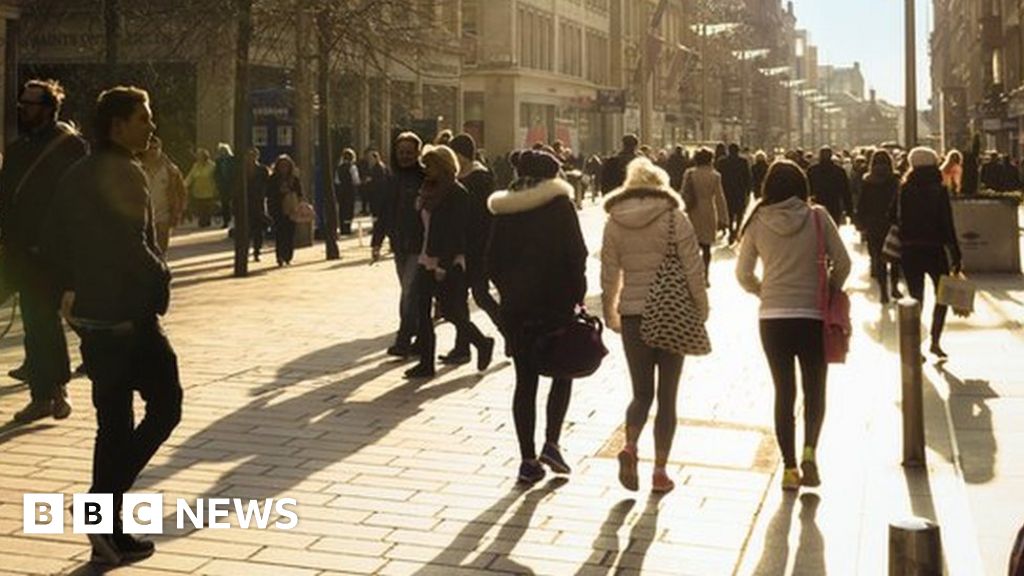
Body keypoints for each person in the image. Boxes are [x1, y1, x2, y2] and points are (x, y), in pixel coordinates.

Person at [46, 85, 180, 565]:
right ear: (116, 125)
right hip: (127, 316)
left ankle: (107, 528)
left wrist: (68, 290)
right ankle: (100, 510)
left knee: (114, 423)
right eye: (143, 119)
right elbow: (132, 244)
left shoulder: (77, 171)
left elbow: (55, 238)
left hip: (91, 316)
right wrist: (162, 276)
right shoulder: (125, 170)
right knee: (166, 405)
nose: (151, 126)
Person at [736, 160, 851, 491]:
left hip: (772, 318)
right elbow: (843, 262)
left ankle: (788, 469)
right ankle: (810, 453)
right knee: (815, 389)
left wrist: (764, 291)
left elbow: (743, 274)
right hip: (812, 315)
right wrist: (828, 287)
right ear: (802, 185)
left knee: (783, 391)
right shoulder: (818, 217)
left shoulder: (756, 220)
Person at [601, 158, 708, 493]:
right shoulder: (675, 218)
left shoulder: (614, 220)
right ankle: (660, 472)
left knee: (641, 392)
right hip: (672, 312)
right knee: (668, 396)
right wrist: (701, 308)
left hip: (634, 314)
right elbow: (694, 269)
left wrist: (610, 312)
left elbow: (609, 273)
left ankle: (630, 447)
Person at [487, 149, 587, 484]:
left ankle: (527, 460)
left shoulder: (505, 211)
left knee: (525, 381)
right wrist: (576, 295)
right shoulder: (560, 207)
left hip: (518, 309)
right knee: (564, 368)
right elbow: (578, 254)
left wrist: (510, 294)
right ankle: (552, 443)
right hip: (556, 304)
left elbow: (492, 261)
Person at [0, 79, 88, 422]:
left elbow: (79, 204)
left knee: (40, 321)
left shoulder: (71, 149)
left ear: (49, 109)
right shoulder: (19, 149)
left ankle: (48, 392)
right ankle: (51, 389)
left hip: (49, 253)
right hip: (16, 251)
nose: (23, 109)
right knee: (40, 321)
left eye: (30, 104)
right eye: (21, 103)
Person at [404, 145, 495, 379]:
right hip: (426, 256)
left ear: (443, 166)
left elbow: (456, 232)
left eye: (431, 165)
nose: (426, 169)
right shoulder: (428, 190)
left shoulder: (457, 193)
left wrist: (444, 265)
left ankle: (482, 342)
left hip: (448, 260)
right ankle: (426, 363)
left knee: (452, 312)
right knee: (422, 309)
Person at [893, 147, 962, 358]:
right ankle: (935, 341)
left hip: (910, 250)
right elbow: (947, 223)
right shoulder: (939, 189)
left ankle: (915, 346)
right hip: (935, 250)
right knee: (942, 297)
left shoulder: (904, 189)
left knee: (916, 298)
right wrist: (955, 252)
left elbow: (893, 217)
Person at [445, 133, 503, 363]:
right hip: (459, 248)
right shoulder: (457, 177)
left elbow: (484, 217)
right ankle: (462, 348)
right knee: (458, 299)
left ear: (462, 155)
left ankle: (508, 333)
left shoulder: (480, 178)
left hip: (478, 249)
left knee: (481, 295)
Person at [372, 132, 426, 357]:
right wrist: (377, 241)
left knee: (409, 291)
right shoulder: (391, 178)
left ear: (417, 153)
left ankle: (404, 338)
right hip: (399, 244)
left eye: (409, 152)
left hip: (419, 245)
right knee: (409, 291)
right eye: (401, 152)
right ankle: (417, 334)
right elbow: (385, 211)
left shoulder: (424, 177)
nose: (404, 156)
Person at [857, 149, 903, 304]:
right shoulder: (895, 179)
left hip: (873, 224)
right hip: (892, 224)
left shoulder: (868, 181)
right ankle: (895, 288)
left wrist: (860, 222)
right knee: (895, 257)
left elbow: (862, 203)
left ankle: (883, 292)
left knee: (879, 258)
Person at [680, 148, 728, 285]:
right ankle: (706, 275)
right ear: (710, 159)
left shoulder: (689, 174)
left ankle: (692, 274)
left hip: (692, 211)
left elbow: (684, 194)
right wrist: (723, 218)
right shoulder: (715, 176)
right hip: (708, 211)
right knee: (706, 247)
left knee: (691, 246)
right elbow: (720, 198)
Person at [140, 136, 187, 255]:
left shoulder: (171, 170)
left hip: (163, 216)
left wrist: (178, 211)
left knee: (161, 251)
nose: (153, 151)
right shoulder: (137, 168)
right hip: (143, 217)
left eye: (156, 148)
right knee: (145, 251)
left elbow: (181, 192)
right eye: (150, 148)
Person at [266, 154, 302, 266]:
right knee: (279, 233)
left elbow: (300, 193)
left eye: (286, 166)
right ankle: (280, 256)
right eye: (281, 166)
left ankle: (288, 256)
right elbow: (269, 194)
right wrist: (279, 192)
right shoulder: (273, 179)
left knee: (290, 233)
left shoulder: (294, 179)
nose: (284, 168)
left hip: (291, 209)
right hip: (278, 209)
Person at [716, 143, 753, 244]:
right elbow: (748, 177)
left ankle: (731, 230)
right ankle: (737, 230)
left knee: (729, 212)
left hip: (727, 191)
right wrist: (749, 190)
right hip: (740, 191)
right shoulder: (743, 162)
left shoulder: (722, 162)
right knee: (740, 212)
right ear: (738, 151)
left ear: (729, 150)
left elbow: (719, 177)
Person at [807, 146, 853, 226]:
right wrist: (849, 210)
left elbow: (807, 190)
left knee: (818, 230)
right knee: (833, 229)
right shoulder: (839, 171)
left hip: (817, 204)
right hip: (834, 205)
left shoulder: (812, 170)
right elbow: (846, 192)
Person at [245, 147, 270, 262]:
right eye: (249, 156)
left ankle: (257, 250)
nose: (251, 158)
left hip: (258, 202)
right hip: (245, 203)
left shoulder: (262, 170)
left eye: (253, 156)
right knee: (246, 229)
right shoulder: (242, 170)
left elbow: (268, 185)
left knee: (258, 228)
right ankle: (244, 250)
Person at [184, 148, 217, 228]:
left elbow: (216, 178)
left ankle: (206, 220)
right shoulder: (196, 166)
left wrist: (217, 188)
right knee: (200, 207)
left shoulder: (212, 166)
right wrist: (184, 185)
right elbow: (190, 176)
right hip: (198, 191)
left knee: (207, 207)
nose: (198, 158)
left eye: (200, 156)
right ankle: (202, 221)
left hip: (209, 190)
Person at [334, 148, 360, 235]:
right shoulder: (352, 167)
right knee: (349, 210)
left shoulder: (339, 168)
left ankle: (342, 228)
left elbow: (337, 180)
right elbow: (356, 180)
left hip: (341, 191)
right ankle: (347, 228)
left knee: (342, 210)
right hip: (350, 191)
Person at [213, 142, 236, 228]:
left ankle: (234, 221)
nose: (222, 152)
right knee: (225, 204)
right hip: (223, 185)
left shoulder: (233, 159)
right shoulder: (218, 161)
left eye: (224, 150)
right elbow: (216, 173)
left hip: (231, 185)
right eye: (221, 151)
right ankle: (226, 221)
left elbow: (235, 172)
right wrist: (218, 182)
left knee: (234, 204)